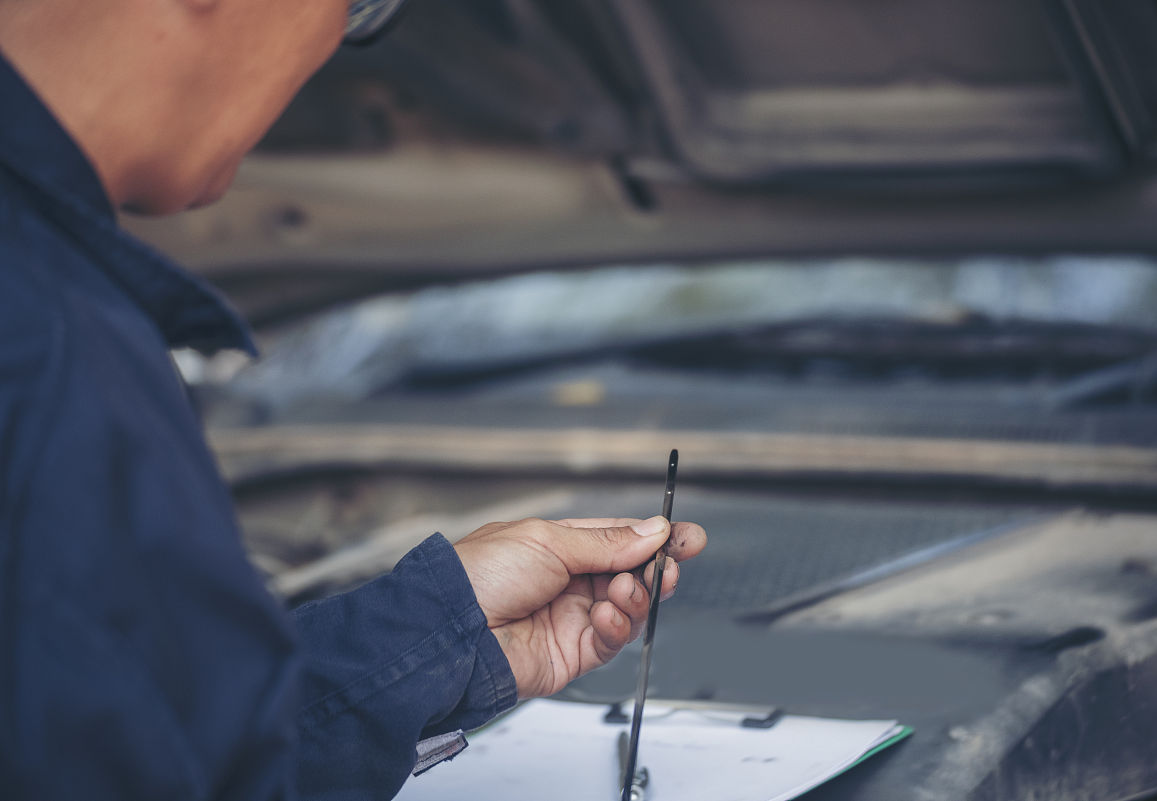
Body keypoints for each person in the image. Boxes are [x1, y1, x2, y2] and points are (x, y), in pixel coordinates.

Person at [0, 1, 707, 799]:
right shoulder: (42, 341)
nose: (330, 52)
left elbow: (145, 749)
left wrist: (441, 633)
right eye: (355, 8)